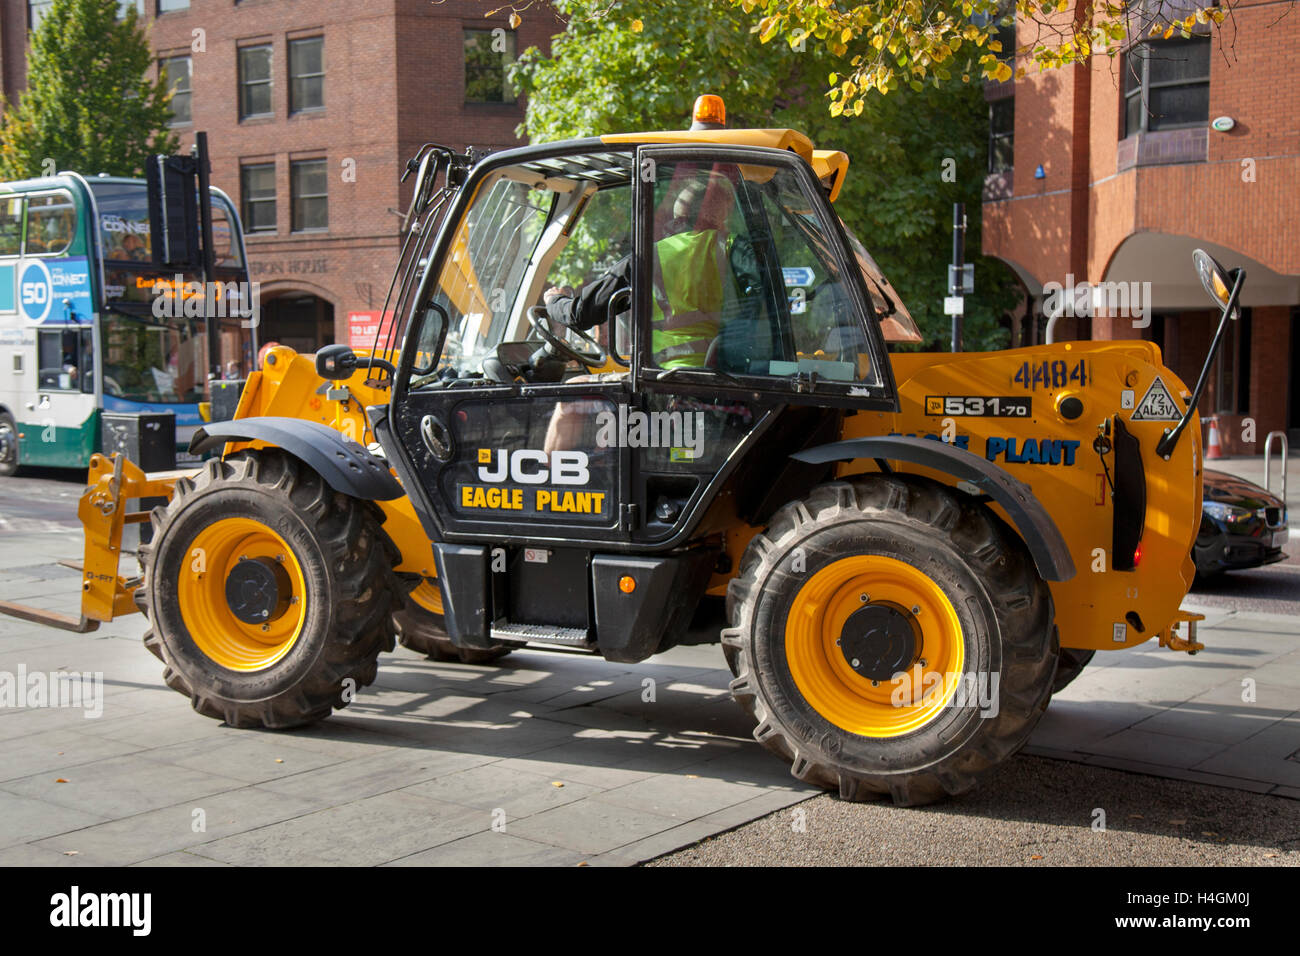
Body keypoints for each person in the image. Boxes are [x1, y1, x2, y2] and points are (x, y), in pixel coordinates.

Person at [542, 170, 746, 369]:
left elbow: (580, 315)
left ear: (678, 219)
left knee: (578, 385)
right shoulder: (734, 248)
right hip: (725, 370)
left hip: (664, 376)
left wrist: (554, 301)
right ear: (721, 217)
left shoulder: (647, 258)